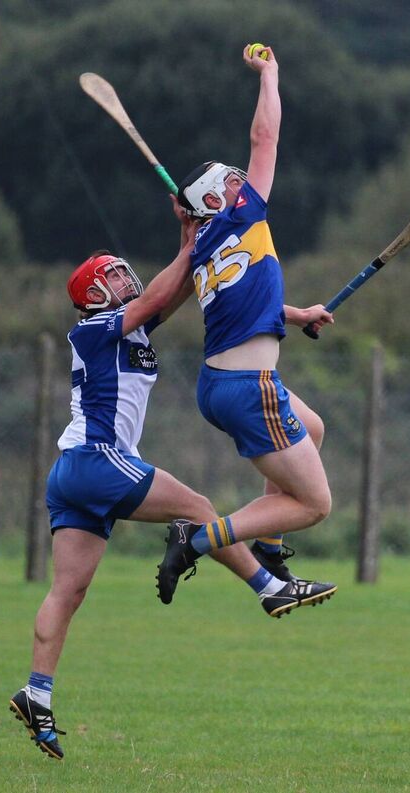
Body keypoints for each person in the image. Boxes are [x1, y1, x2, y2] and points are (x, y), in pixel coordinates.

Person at [10, 205, 314, 761]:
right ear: (92, 296)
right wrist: (191, 243)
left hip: (73, 473)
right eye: (112, 276)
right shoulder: (93, 329)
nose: (125, 278)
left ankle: (37, 693)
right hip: (97, 460)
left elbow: (187, 289)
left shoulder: (134, 327)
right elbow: (157, 296)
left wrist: (192, 237)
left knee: (69, 591)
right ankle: (268, 588)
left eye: (122, 272)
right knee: (197, 506)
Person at [153, 43, 338, 608]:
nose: (244, 181)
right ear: (218, 198)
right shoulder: (243, 215)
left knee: (313, 428)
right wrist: (270, 75)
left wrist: (297, 314)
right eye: (232, 181)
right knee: (316, 504)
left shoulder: (204, 244)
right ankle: (199, 537)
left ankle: (270, 550)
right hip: (248, 387)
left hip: (220, 385)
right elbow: (265, 138)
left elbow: (246, 300)